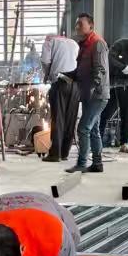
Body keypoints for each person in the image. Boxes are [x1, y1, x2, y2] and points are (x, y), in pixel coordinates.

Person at [68, 12, 109, 174]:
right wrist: (64, 74)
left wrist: (93, 87)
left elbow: (100, 70)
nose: (77, 27)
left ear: (90, 25)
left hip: (96, 95)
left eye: (81, 24)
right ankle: (97, 164)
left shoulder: (97, 43)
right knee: (93, 130)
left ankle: (82, 163)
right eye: (76, 24)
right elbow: (80, 70)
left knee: (83, 128)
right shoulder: (84, 45)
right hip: (88, 94)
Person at [39, 29, 81, 163]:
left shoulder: (49, 42)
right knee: (70, 118)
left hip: (60, 82)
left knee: (58, 118)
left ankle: (55, 154)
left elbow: (45, 61)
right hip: (76, 85)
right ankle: (64, 152)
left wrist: (46, 76)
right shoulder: (74, 43)